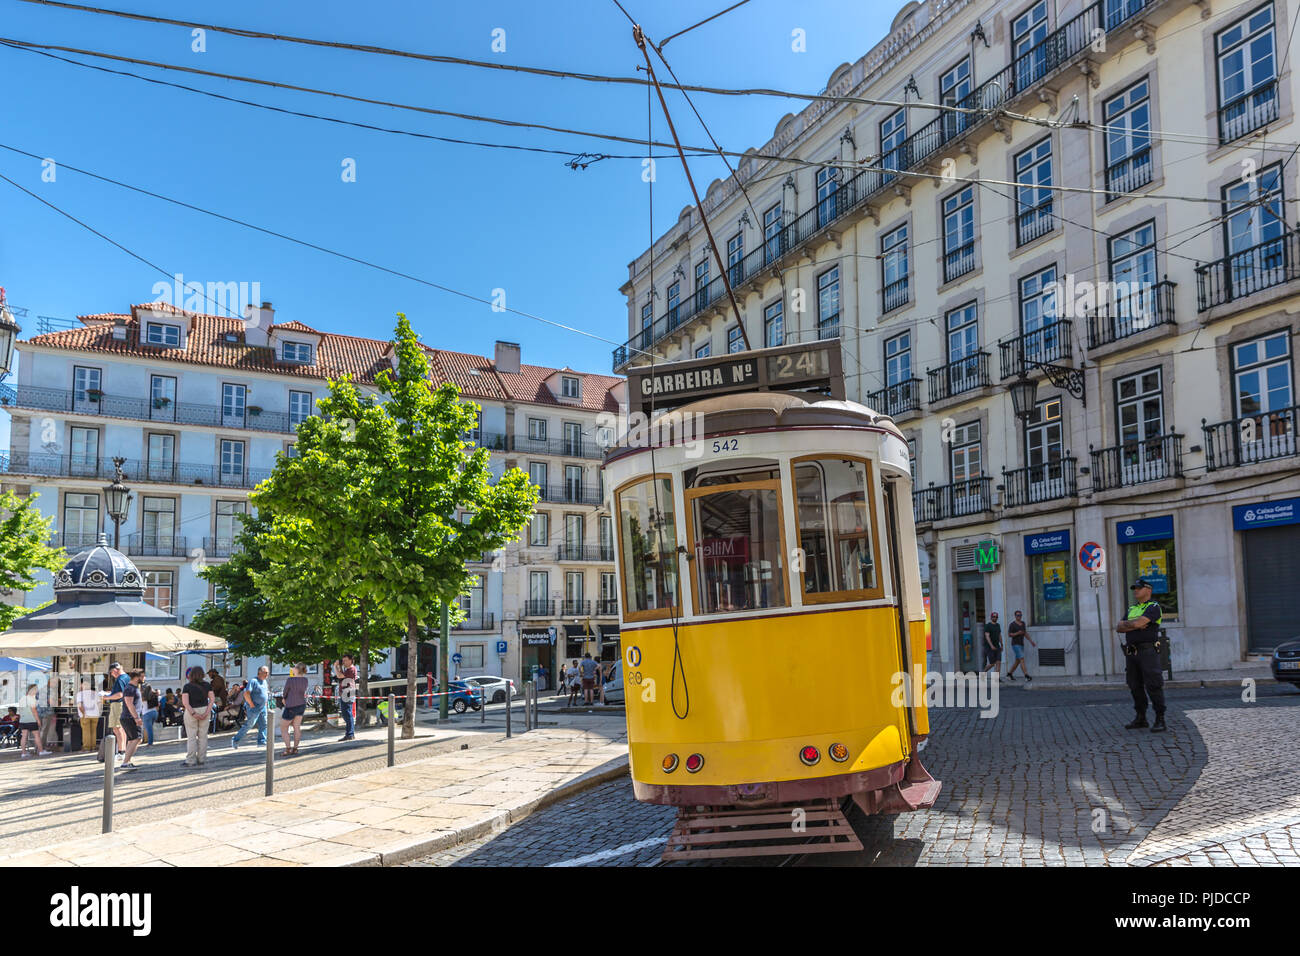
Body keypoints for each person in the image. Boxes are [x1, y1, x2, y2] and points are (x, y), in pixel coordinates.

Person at [1116, 578, 1167, 733]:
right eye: (1134, 588)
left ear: (1148, 590)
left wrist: (1131, 625)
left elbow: (1135, 624)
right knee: (1134, 685)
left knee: (1153, 685)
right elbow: (1119, 627)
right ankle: (1141, 717)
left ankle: (1160, 719)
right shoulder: (1132, 609)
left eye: (1138, 588)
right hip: (1132, 653)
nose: (1135, 591)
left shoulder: (1154, 607)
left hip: (1148, 652)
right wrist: (1135, 624)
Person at [181, 666, 214, 766]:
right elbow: (212, 700)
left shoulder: (187, 687)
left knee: (191, 737)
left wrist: (193, 713)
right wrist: (206, 712)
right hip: (204, 709)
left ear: (191, 675)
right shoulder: (208, 685)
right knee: (203, 736)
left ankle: (190, 760)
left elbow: (185, 703)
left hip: (191, 711)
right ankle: (202, 759)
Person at [232, 666, 270, 749]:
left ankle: (262, 742)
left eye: (268, 672)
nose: (267, 674)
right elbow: (246, 693)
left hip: (262, 707)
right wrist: (251, 704)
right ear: (260, 672)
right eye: (265, 672)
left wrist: (266, 704)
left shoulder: (264, 682)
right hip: (254, 707)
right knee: (249, 724)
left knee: (264, 724)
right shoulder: (253, 681)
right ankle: (235, 739)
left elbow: (265, 694)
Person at [101, 662, 128, 765]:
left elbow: (119, 694)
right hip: (123, 705)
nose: (112, 675)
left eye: (112, 672)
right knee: (121, 729)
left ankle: (121, 752)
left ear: (116, 670)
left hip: (118, 705)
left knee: (117, 728)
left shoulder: (120, 679)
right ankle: (123, 750)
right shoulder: (126, 677)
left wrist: (106, 697)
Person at [117, 669, 145, 770]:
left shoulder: (133, 688)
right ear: (137, 677)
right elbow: (129, 704)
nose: (144, 678)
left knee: (133, 740)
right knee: (137, 739)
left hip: (129, 717)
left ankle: (127, 762)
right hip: (130, 717)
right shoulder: (130, 688)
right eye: (142, 676)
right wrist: (136, 718)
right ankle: (125, 763)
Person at [280, 664, 308, 756]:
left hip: (291, 705)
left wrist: (284, 698)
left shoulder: (290, 680)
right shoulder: (305, 680)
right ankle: (295, 748)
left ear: (297, 669)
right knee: (296, 727)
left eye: (294, 667)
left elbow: (285, 692)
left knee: (283, 727)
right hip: (301, 704)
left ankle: (288, 749)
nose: (292, 669)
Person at [1005, 610, 1036, 681]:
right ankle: (1026, 675)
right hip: (1015, 644)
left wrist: (1031, 641)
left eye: (1020, 615)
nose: (1019, 616)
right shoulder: (1012, 624)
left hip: (1021, 644)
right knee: (1022, 659)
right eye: (1017, 615)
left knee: (1017, 661)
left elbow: (1025, 633)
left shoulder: (1023, 623)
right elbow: (1010, 634)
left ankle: (1009, 674)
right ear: (1015, 616)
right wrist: (1017, 633)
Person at [334, 655, 358, 742]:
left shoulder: (351, 669)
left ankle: (350, 734)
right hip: (346, 693)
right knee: (346, 714)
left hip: (347, 693)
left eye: (345, 660)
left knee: (347, 714)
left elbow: (339, 676)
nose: (344, 662)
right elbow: (341, 675)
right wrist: (339, 666)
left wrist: (335, 667)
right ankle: (349, 733)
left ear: (351, 660)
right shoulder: (348, 669)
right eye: (343, 660)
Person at [18, 684, 45, 757]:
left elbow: (20, 710)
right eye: (36, 690)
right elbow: (34, 711)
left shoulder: (22, 698)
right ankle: (41, 751)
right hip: (32, 720)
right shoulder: (32, 699)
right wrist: (38, 720)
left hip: (23, 720)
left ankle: (23, 753)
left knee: (24, 736)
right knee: (37, 735)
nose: (37, 691)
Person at [76, 678, 101, 753]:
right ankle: (93, 747)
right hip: (95, 714)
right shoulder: (95, 693)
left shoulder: (80, 694)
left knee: (86, 731)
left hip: (86, 714)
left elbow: (80, 705)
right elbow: (99, 704)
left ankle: (86, 748)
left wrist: (84, 714)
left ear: (83, 685)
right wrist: (98, 712)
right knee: (93, 731)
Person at [982, 612, 1003, 677]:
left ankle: (997, 679)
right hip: (989, 647)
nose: (995, 618)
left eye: (996, 617)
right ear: (991, 618)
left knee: (998, 662)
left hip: (997, 646)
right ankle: (983, 672)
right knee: (992, 663)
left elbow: (999, 635)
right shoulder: (988, 625)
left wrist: (1002, 644)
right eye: (993, 617)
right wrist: (991, 646)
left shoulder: (998, 625)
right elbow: (987, 636)